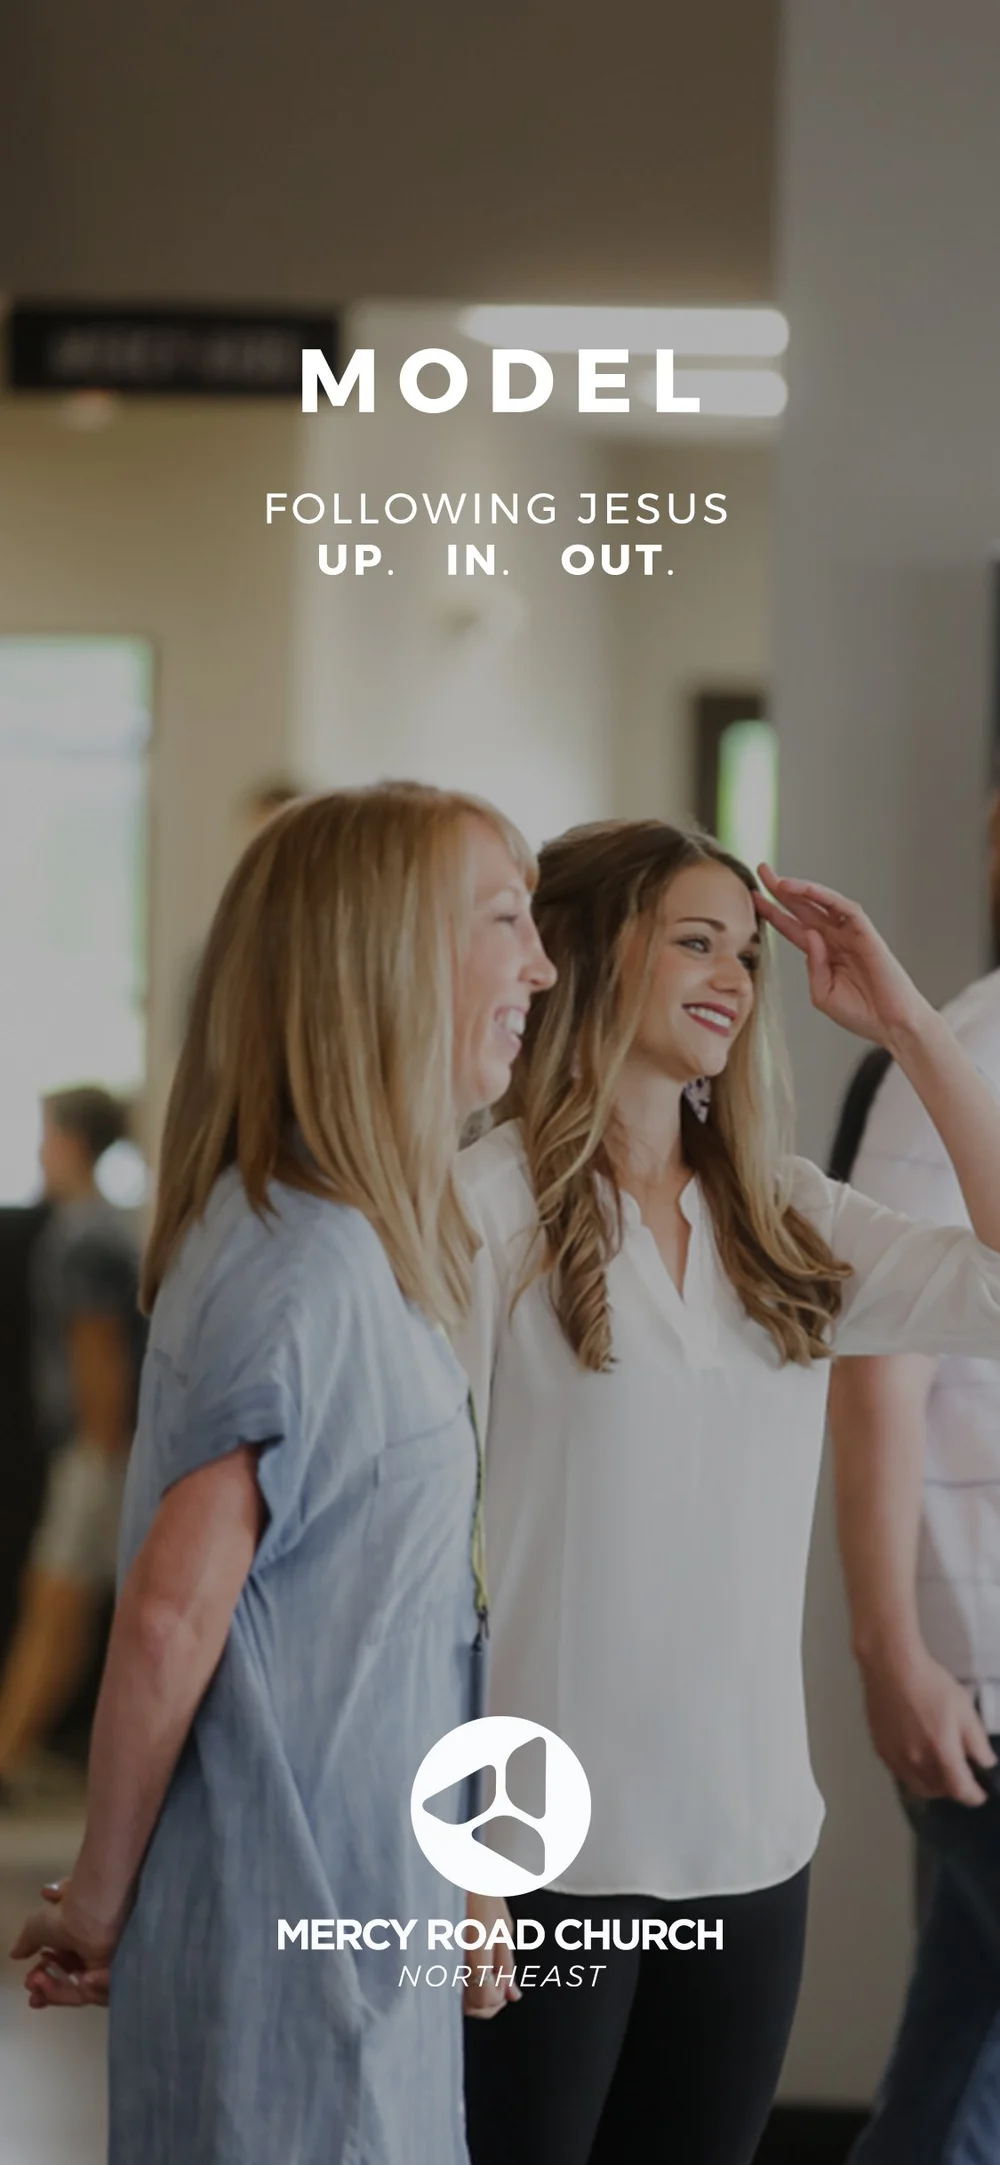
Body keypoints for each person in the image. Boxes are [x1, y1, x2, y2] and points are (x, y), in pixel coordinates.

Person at [11, 783, 554, 2165]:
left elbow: (409, 1627)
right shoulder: (292, 1261)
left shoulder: (373, 1248)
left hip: (369, 1923)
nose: (543, 967)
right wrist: (98, 1899)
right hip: (280, 1945)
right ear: (388, 956)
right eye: (507, 920)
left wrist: (463, 1882)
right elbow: (169, 1619)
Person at [454, 819, 1000, 2165]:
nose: (734, 978)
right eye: (695, 941)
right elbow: (418, 1572)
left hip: (750, 1845)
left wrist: (912, 1025)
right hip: (532, 1851)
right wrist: (455, 1857)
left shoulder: (785, 1216)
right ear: (587, 954)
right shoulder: (476, 1209)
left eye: (746, 953)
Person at [830, 793, 1000, 2164]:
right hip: (983, 1667)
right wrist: (890, 1646)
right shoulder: (965, 1053)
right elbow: (876, 1363)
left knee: (964, 2043)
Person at [0, 1086, 143, 1789]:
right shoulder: (97, 1229)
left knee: (55, 1602)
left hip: (94, 1452)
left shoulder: (87, 1235)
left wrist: (100, 1453)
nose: (40, 1150)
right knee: (66, 1607)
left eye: (50, 1135)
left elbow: (99, 1355)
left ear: (74, 1143)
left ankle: (7, 1754)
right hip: (95, 1451)